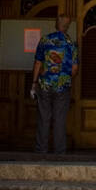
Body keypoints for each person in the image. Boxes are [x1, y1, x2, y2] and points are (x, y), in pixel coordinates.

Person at [30, 14, 79, 156]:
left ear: (56, 24)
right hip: (62, 87)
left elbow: (38, 63)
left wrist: (34, 83)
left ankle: (41, 151)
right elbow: (75, 69)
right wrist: (66, 78)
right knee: (60, 119)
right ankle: (59, 152)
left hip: (45, 85)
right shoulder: (71, 43)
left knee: (44, 118)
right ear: (67, 26)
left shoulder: (45, 40)